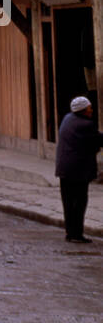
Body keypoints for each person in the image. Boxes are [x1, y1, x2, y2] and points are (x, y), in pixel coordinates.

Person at [55, 95, 103, 244]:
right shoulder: (87, 125)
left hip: (64, 168)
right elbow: (97, 141)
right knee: (79, 202)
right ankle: (77, 234)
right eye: (89, 108)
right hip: (78, 170)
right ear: (83, 110)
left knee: (68, 202)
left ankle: (70, 232)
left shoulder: (67, 119)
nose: (91, 111)